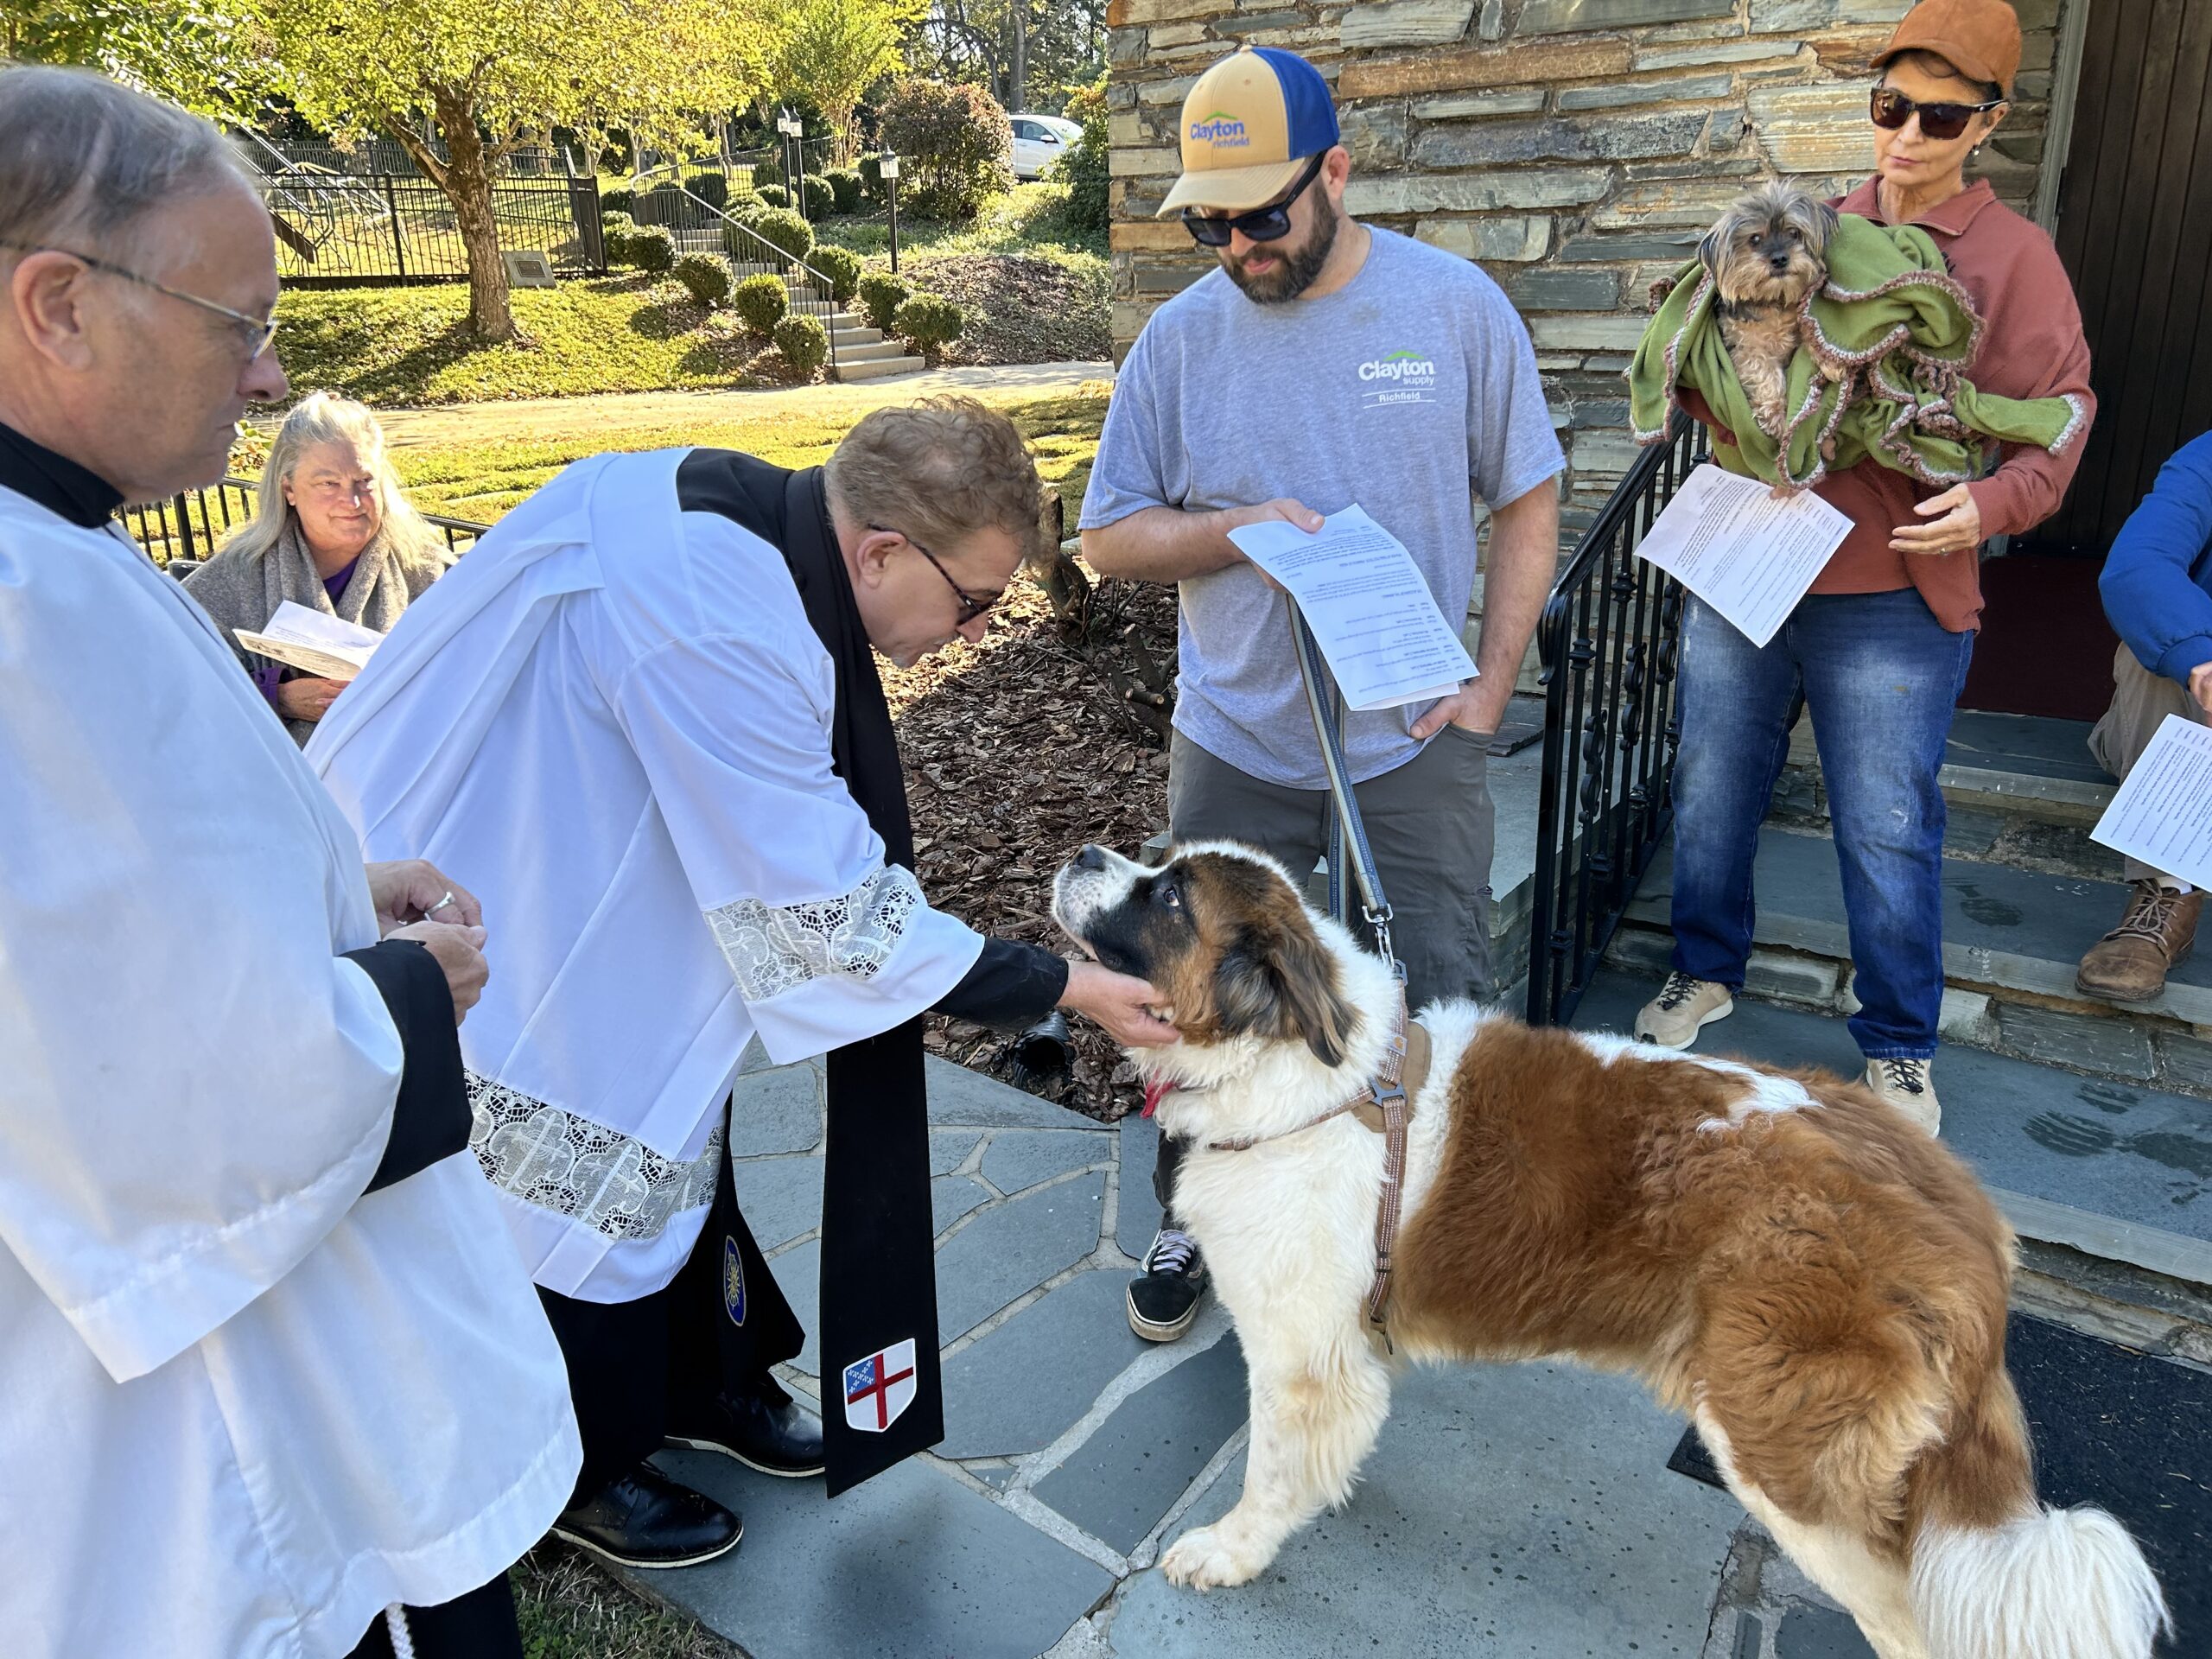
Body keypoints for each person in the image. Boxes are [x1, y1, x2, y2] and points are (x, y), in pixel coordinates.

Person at [308, 397, 1175, 1568]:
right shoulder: (718, 614)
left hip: (593, 856)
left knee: (671, 1130)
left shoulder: (755, 521)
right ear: (877, 550)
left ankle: (701, 1387)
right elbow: (830, 917)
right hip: (504, 889)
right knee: (582, 1166)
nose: (979, 633)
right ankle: (584, 1463)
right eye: (975, 604)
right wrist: (1064, 985)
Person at [0, 67, 578, 1659]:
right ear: (58, 305)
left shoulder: (61, 547)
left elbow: (121, 915)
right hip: (200, 1440)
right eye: (237, 324)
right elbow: (155, 1098)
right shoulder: (21, 611)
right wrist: (408, 990)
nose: (266, 381)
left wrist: (334, 884)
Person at [1079, 43, 1566, 1343]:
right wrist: (1235, 527)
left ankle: (1447, 1233)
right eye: (1211, 222)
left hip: (1411, 739)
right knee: (1192, 1009)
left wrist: (1490, 684)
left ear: (1335, 173)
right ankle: (1192, 1223)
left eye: (1264, 214)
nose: (1238, 244)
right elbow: (1110, 537)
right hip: (1237, 739)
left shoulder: (1452, 308)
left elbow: (1528, 497)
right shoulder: (1181, 343)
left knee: (1446, 991)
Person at [1635, 0, 2096, 1135]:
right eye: (1890, 107)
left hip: (1894, 592)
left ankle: (1897, 1043)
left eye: (1938, 117)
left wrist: (1992, 503)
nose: (1906, 137)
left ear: (1987, 123)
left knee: (1888, 821)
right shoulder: (1809, 223)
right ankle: (1705, 969)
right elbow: (1718, 361)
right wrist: (1713, 391)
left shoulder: (2015, 260)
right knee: (1709, 785)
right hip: (1751, 561)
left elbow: (2066, 418)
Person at [185, 391, 449, 743]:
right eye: (328, 483)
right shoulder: (233, 577)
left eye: (364, 481)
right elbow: (176, 688)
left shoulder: (427, 568)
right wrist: (278, 698)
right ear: (289, 489)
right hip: (282, 787)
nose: (352, 501)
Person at [2080, 430, 2212, 1000]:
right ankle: (2168, 887)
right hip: (2184, 715)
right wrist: (2201, 658)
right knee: (2151, 655)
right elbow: (2138, 566)